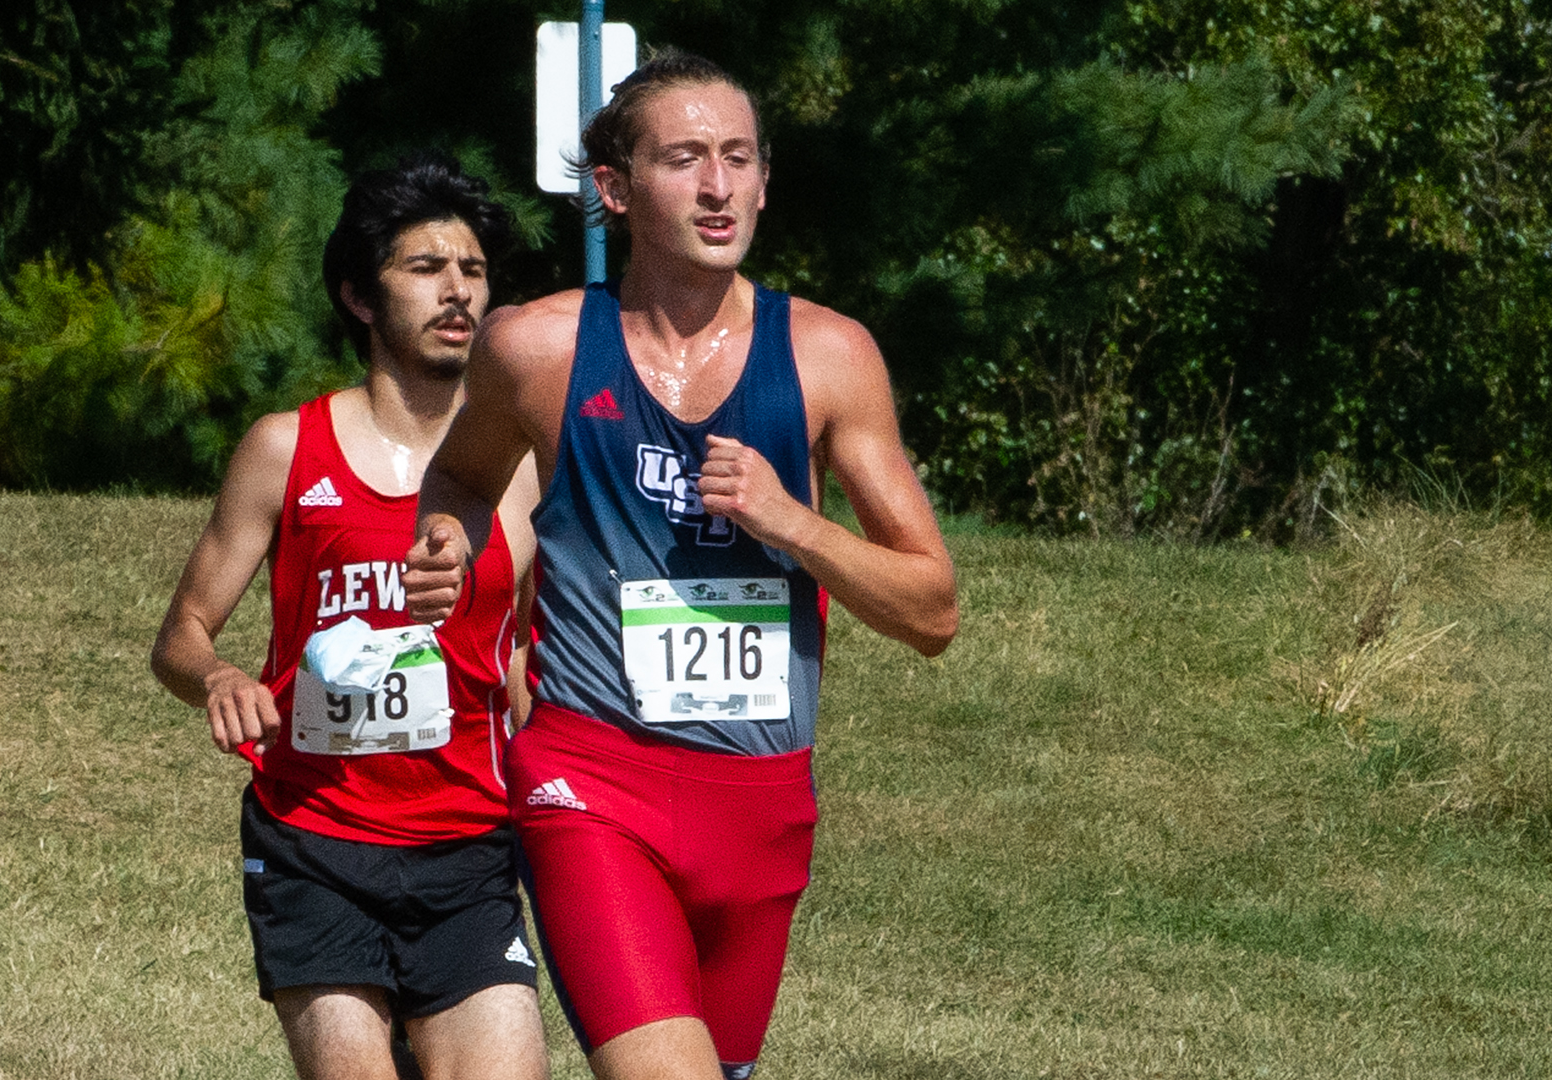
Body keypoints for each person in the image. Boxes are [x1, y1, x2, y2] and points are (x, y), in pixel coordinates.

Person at [403, 51, 958, 1080]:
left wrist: (793, 524)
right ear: (613, 190)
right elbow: (463, 480)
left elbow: (932, 609)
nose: (719, 187)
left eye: (739, 159)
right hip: (592, 781)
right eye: (687, 159)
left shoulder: (830, 356)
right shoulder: (538, 348)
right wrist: (446, 538)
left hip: (761, 808)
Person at [150, 152, 548, 1080]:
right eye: (425, 269)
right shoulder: (287, 448)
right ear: (361, 299)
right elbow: (180, 637)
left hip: (469, 847)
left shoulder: (528, 468)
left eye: (474, 271)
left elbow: (527, 656)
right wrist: (218, 677)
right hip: (315, 843)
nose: (457, 292)